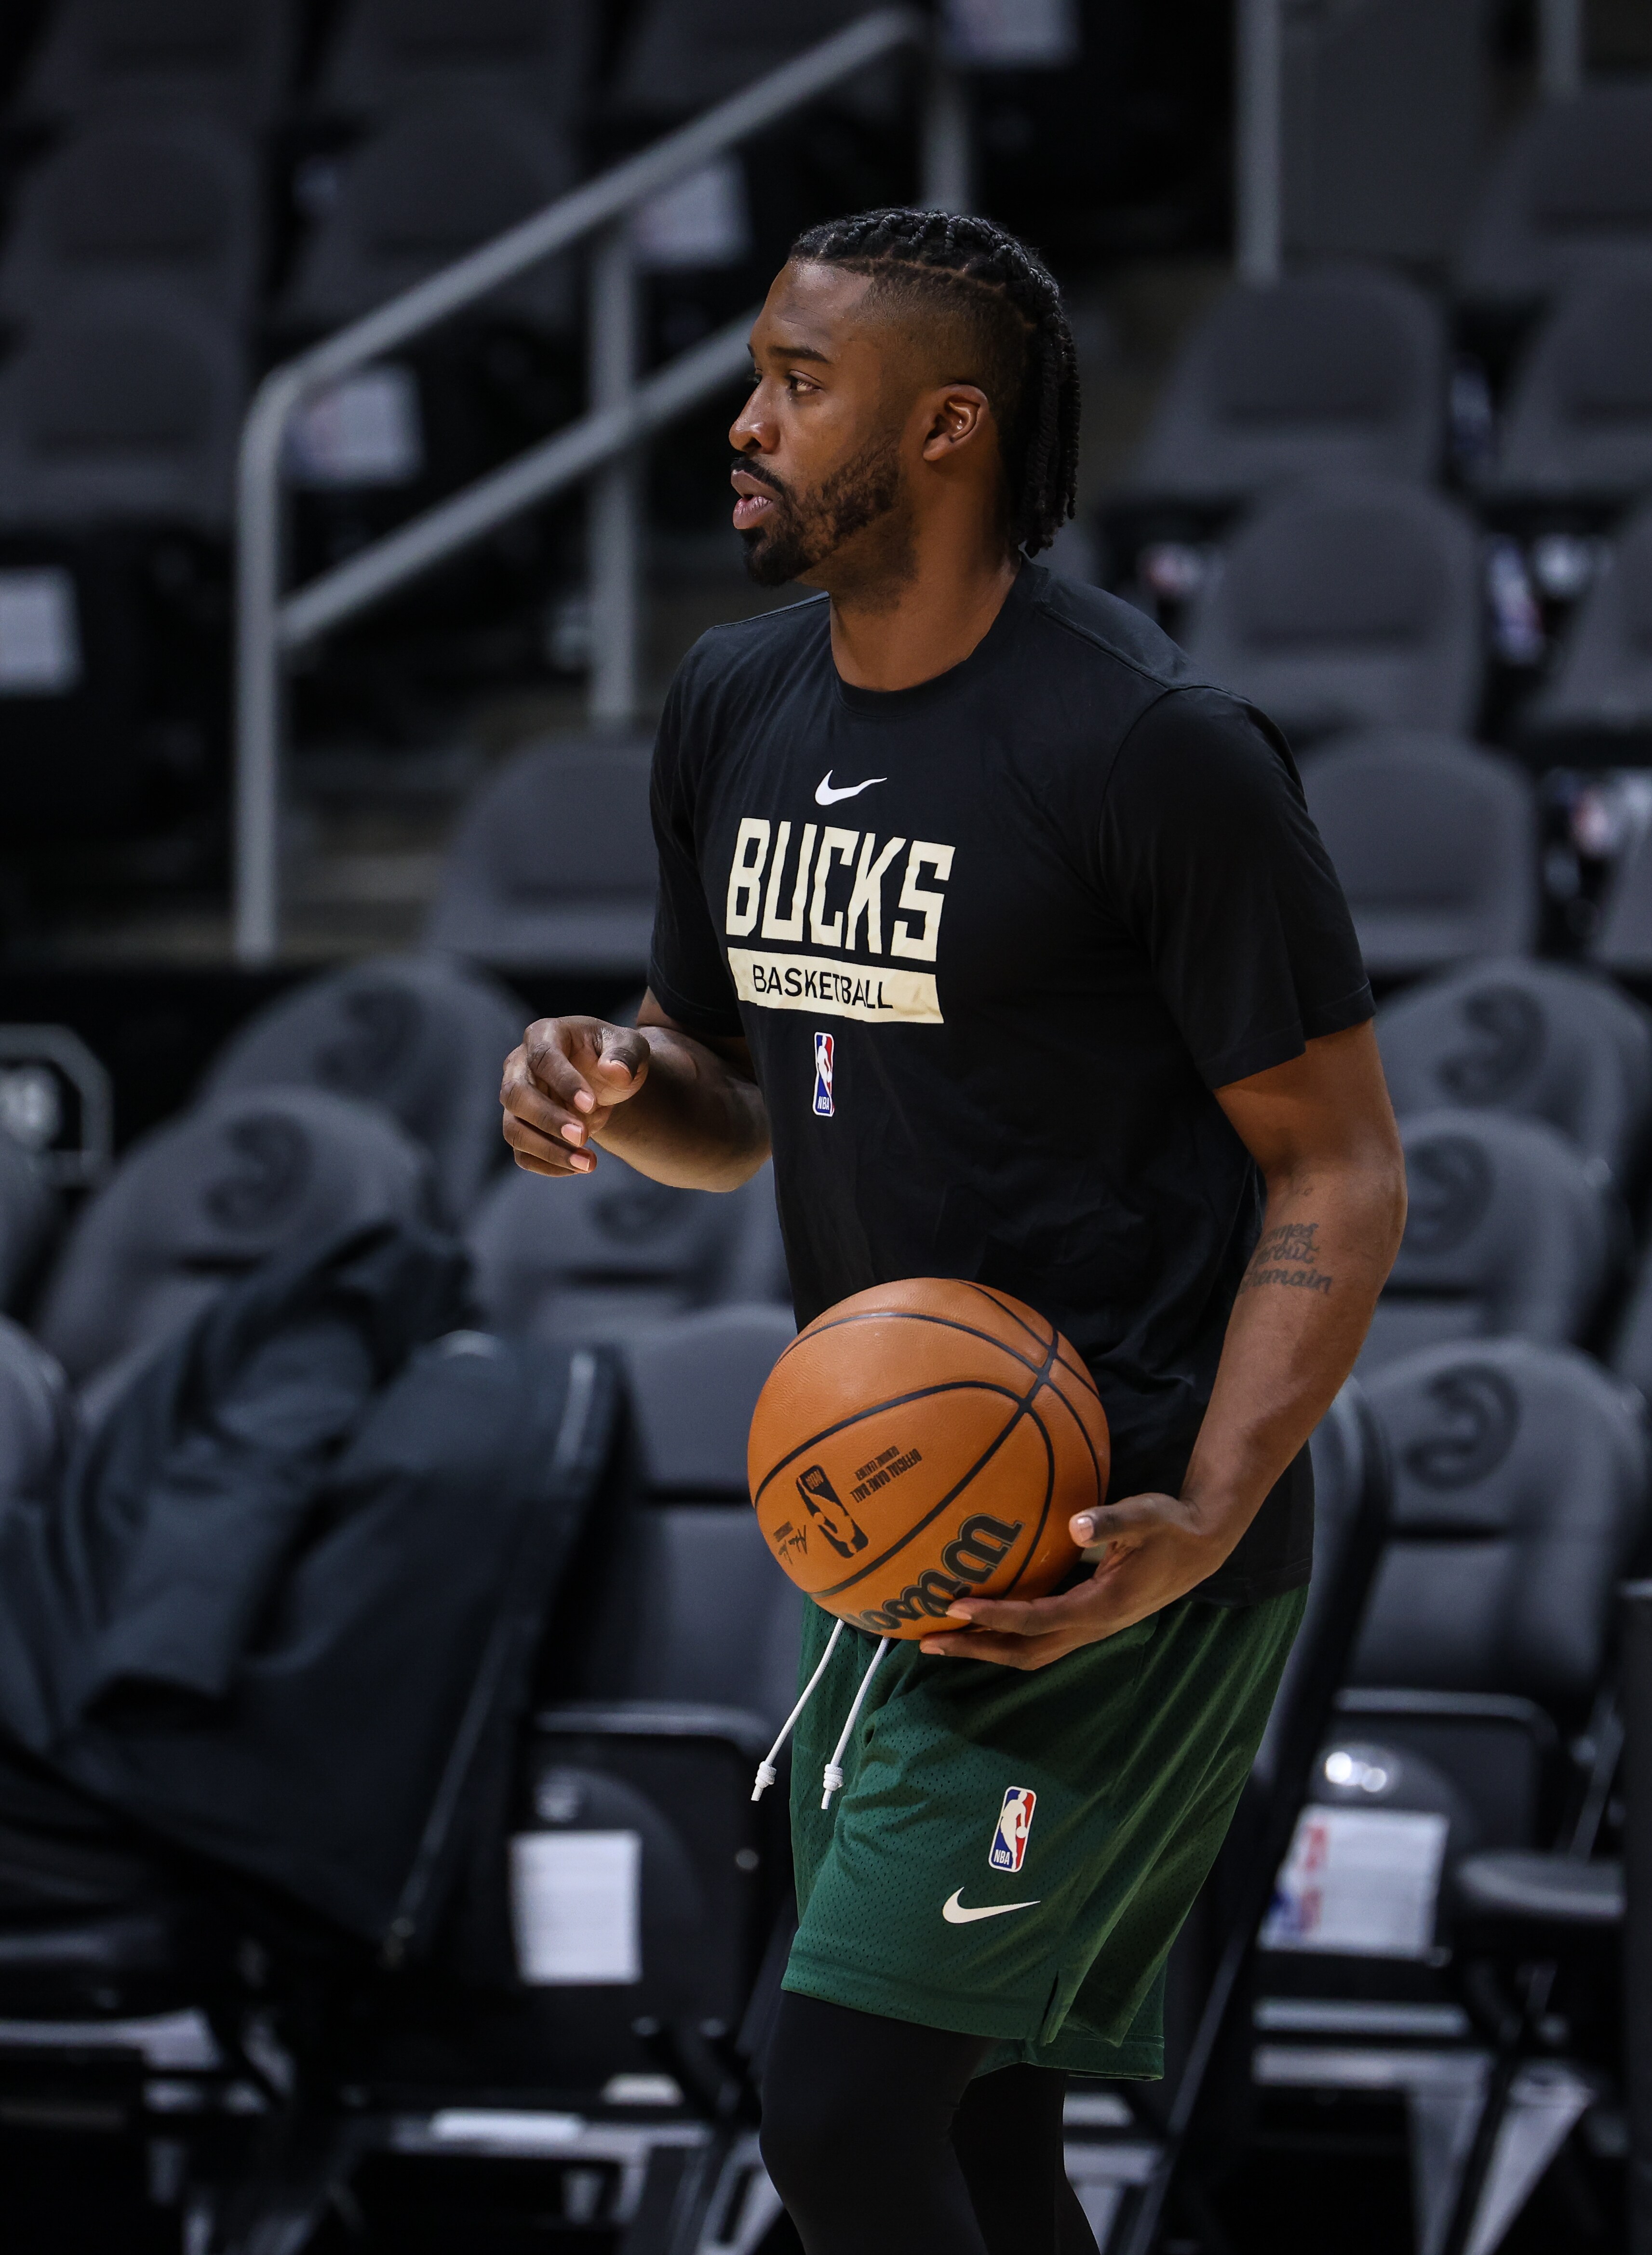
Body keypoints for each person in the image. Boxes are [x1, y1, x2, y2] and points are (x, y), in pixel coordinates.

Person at [498, 208, 1407, 2255]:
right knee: (977, 2140)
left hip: (1112, 1545)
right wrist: (615, 1082)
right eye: (758, 375)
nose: (745, 424)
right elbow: (730, 1104)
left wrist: (1202, 1515)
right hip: (898, 1527)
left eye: (798, 385)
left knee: (840, 2113)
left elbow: (1342, 1170)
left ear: (947, 430)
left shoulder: (1154, 750)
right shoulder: (735, 703)